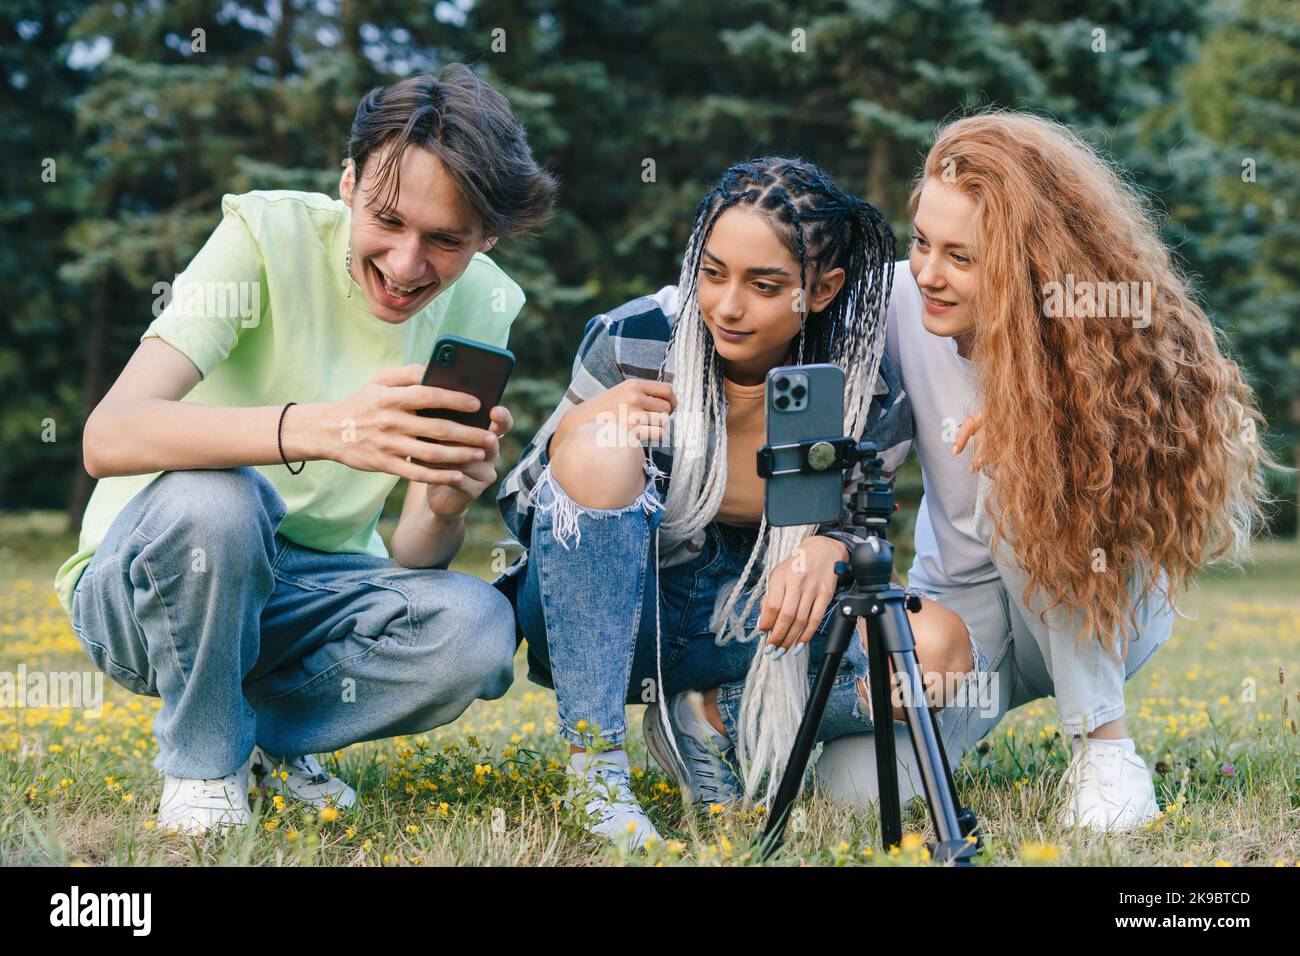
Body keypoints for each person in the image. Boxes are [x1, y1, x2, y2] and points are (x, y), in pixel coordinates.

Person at [53, 65, 557, 834]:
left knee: (478, 628)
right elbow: (107, 434)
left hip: (310, 590)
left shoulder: (485, 300)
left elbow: (414, 559)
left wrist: (448, 501)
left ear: (485, 236)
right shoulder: (263, 234)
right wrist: (320, 428)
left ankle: (256, 736)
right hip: (153, 578)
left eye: (445, 240)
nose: (407, 265)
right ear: (349, 183)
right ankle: (205, 763)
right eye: (387, 220)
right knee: (218, 498)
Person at [494, 156, 985, 849]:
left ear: (821, 290)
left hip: (753, 630)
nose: (727, 305)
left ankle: (709, 716)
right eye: (713, 271)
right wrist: (573, 434)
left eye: (764, 285)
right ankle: (597, 769)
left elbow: (867, 534)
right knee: (600, 447)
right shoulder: (635, 338)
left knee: (940, 653)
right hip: (624, 620)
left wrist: (832, 548)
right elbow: (524, 516)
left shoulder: (864, 389)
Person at [817, 111, 1273, 831]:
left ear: (1027, 262)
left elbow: (1162, 473)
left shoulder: (1095, 323)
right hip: (968, 619)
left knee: (1022, 467)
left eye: (961, 258)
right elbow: (753, 308)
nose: (929, 273)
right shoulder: (897, 299)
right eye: (922, 244)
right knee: (858, 789)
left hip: (1094, 609)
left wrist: (1042, 432)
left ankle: (1103, 744)